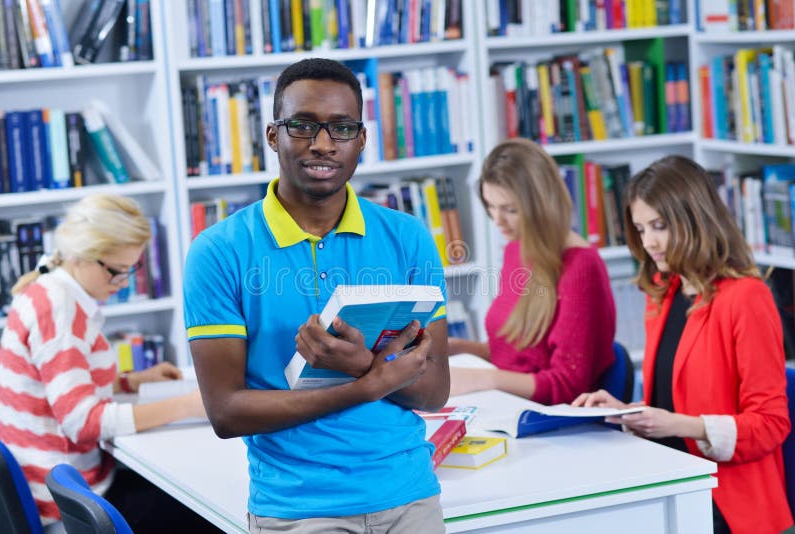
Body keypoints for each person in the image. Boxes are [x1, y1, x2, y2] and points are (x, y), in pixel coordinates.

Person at [183, 58, 449, 533]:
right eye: (303, 125)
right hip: (298, 510)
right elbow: (226, 412)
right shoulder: (219, 251)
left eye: (342, 128)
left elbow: (433, 392)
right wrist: (368, 384)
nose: (323, 144)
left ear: (361, 140)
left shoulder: (408, 237)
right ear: (272, 135)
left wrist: (359, 365)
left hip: (411, 499)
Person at [573, 155, 793, 534]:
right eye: (641, 229)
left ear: (696, 218)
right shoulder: (664, 292)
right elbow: (675, 403)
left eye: (660, 226)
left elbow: (771, 424)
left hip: (732, 507)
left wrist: (679, 424)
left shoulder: (747, 298)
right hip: (675, 485)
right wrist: (628, 412)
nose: (650, 242)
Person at [0, 194, 214, 532]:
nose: (124, 283)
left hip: (57, 482)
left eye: (131, 270)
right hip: (64, 503)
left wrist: (133, 382)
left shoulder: (50, 289)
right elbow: (82, 422)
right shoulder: (59, 310)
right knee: (201, 510)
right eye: (117, 271)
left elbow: (62, 385)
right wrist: (187, 406)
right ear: (83, 256)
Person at [448, 138, 615, 404]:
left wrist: (481, 378)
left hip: (555, 420)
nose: (497, 220)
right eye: (490, 206)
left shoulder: (581, 266)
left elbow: (569, 385)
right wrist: (460, 348)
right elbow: (518, 355)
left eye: (510, 209)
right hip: (510, 403)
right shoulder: (516, 248)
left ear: (541, 205)